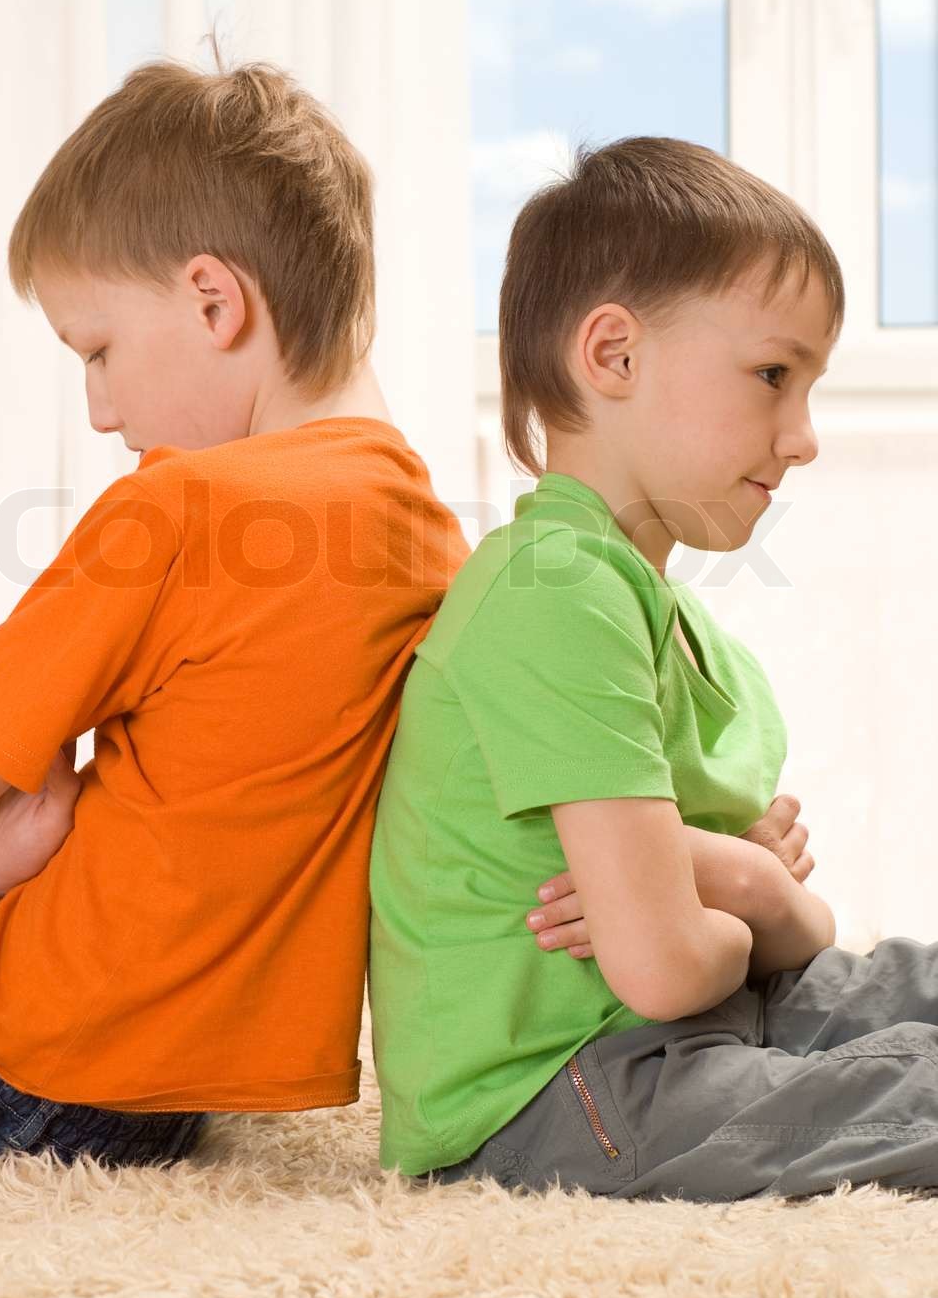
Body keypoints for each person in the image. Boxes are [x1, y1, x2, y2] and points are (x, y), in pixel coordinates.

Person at [0, 46, 468, 1167]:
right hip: (167, 1098)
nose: (101, 409)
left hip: (1, 1053)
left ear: (212, 299)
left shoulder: (184, 509)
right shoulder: (435, 540)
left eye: (98, 350)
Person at [370, 134, 938, 1204]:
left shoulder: (652, 608)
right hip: (558, 1090)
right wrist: (736, 882)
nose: (805, 436)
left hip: (684, 1025)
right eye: (773, 374)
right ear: (614, 356)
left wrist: (728, 885)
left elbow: (797, 938)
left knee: (909, 985)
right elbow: (671, 964)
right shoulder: (552, 592)